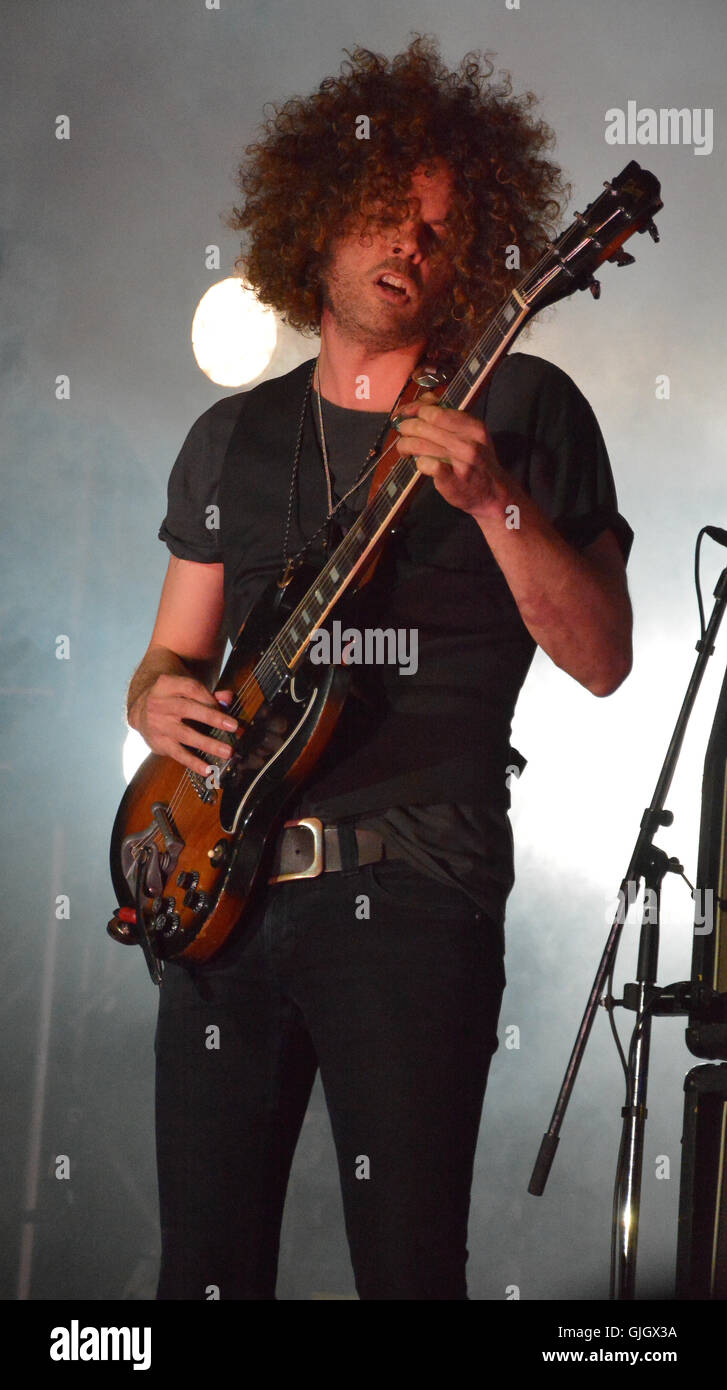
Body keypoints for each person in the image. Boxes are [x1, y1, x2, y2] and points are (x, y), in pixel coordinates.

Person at [126, 37, 634, 1300]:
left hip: (412, 888)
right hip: (218, 892)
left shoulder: (527, 407)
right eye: (381, 214)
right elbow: (163, 657)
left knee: (406, 1270)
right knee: (201, 1268)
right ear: (316, 221)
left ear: (480, 254)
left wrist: (493, 500)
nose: (409, 242)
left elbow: (606, 657)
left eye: (441, 229)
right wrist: (150, 698)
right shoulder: (231, 433)